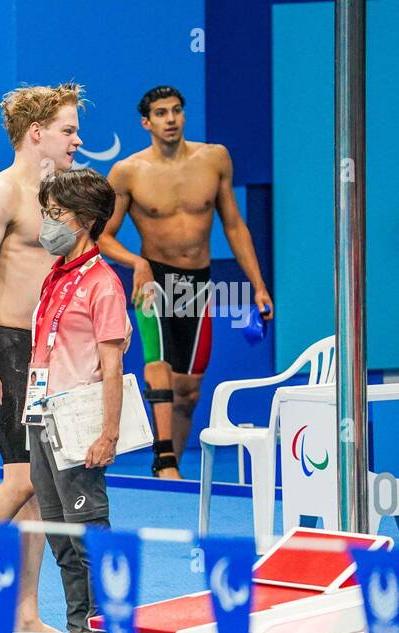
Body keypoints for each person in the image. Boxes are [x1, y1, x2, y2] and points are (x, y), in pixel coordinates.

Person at [0, 83, 86, 632]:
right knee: (22, 479)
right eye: (68, 130)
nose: (78, 140)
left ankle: (26, 614)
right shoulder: (0, 194)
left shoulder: (62, 193)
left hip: (51, 352)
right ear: (37, 134)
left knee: (37, 490)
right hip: (8, 346)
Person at [100, 85, 274, 479]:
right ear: (146, 122)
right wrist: (137, 262)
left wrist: (258, 285)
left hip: (198, 283)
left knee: (189, 390)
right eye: (161, 113)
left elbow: (233, 224)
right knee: (157, 365)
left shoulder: (214, 159)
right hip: (155, 280)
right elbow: (103, 235)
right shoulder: (128, 171)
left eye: (177, 111)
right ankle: (165, 462)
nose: (171, 119)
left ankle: (170, 463)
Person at [26, 168, 128, 631]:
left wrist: (108, 434)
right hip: (41, 418)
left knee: (89, 535)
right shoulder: (56, 275)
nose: (46, 223)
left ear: (84, 220)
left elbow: (112, 365)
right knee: (61, 539)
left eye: (56, 213)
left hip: (79, 424)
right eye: (46, 212)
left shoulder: (103, 282)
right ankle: (76, 630)